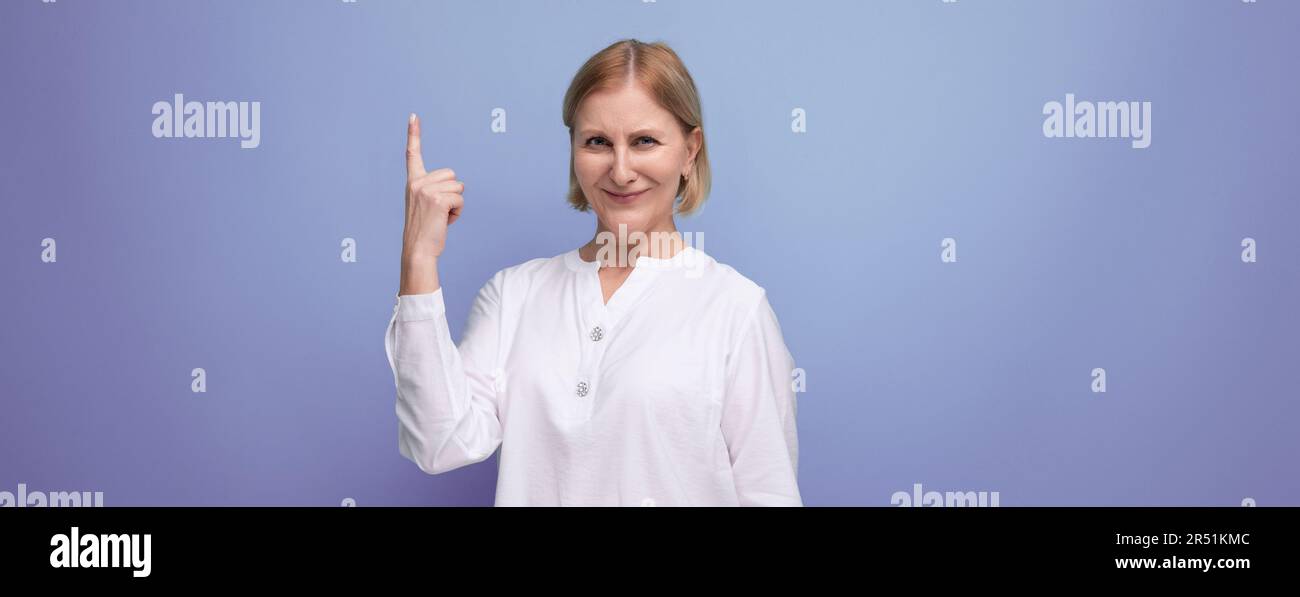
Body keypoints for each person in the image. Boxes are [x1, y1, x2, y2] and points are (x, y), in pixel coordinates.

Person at [384, 39, 801, 506]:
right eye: (598, 142)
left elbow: (770, 494)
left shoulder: (735, 310)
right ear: (574, 151)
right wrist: (418, 258)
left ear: (689, 151)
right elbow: (439, 442)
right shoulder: (513, 295)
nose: (621, 171)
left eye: (644, 141)